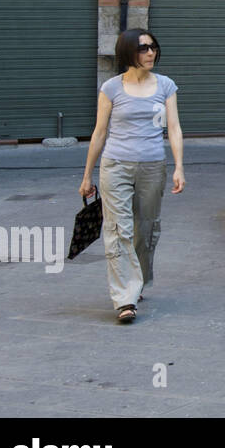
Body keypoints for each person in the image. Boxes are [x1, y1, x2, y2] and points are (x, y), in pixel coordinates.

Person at [79, 29, 185, 323]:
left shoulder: (166, 85)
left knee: (146, 229)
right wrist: (87, 175)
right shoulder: (111, 88)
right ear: (128, 53)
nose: (150, 53)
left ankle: (137, 280)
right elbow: (100, 132)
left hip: (152, 167)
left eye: (153, 47)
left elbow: (174, 128)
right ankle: (125, 298)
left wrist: (179, 166)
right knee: (118, 230)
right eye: (143, 48)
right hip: (115, 166)